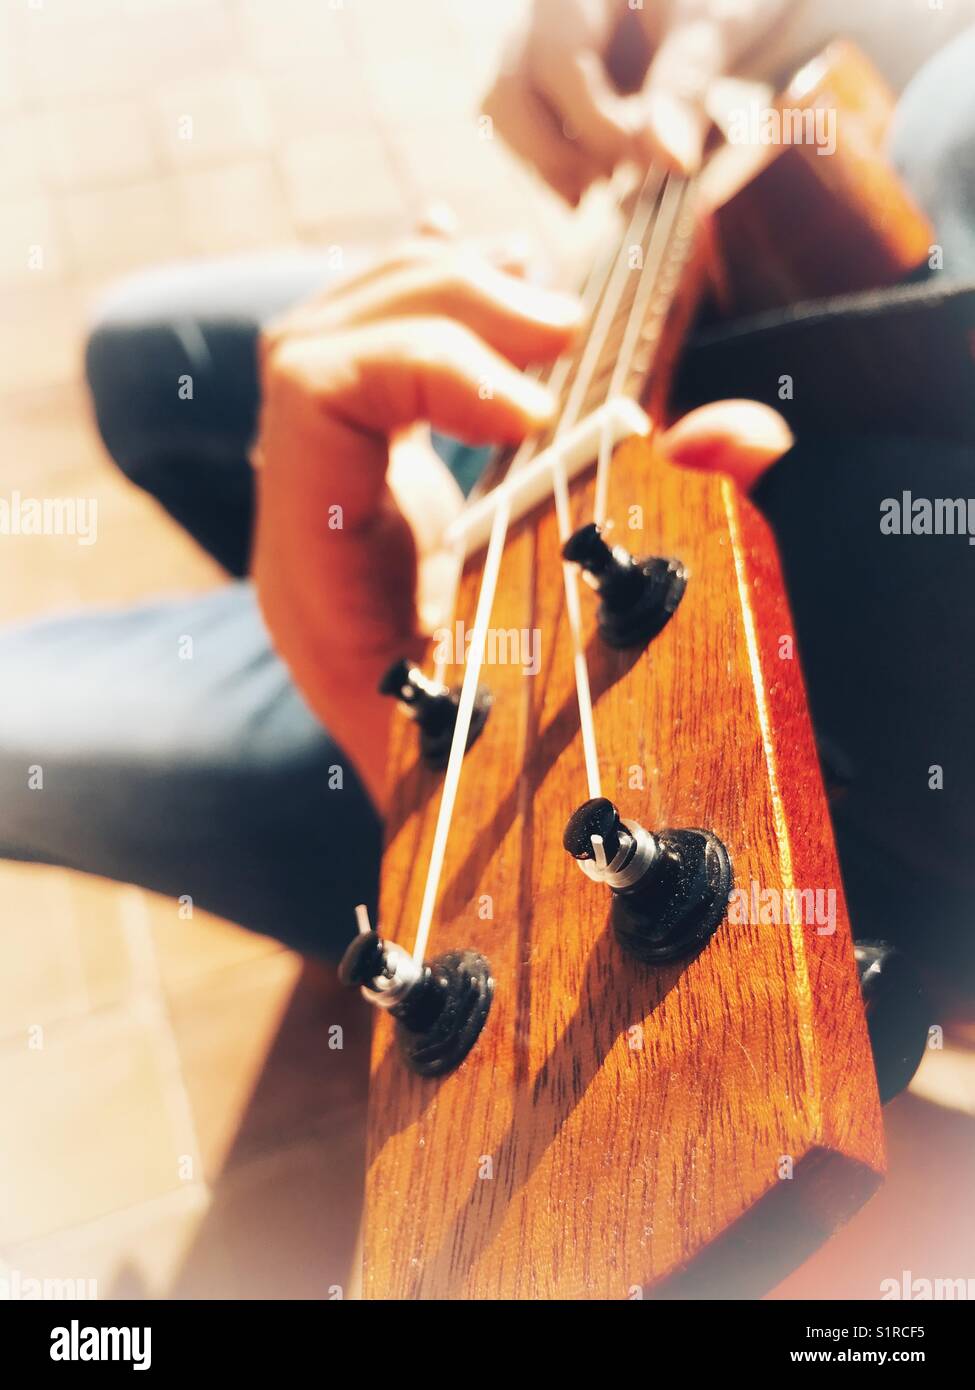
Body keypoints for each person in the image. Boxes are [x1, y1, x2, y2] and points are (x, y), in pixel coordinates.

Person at [2, 2, 974, 988]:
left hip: (553, 722)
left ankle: (324, 772)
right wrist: (703, 26)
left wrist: (412, 745)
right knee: (138, 353)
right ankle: (263, 612)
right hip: (598, 352)